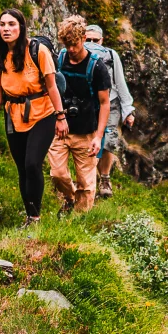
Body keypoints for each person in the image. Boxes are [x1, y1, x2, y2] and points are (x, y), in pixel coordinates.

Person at [0, 7, 65, 225]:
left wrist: (61, 116)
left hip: (43, 113)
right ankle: (29, 215)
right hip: (13, 115)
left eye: (11, 24)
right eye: (2, 25)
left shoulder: (38, 51)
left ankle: (36, 216)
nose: (6, 29)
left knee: (32, 163)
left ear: (21, 27)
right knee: (22, 167)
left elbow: (52, 86)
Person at [47, 14, 110, 215]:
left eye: (74, 44)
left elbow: (104, 103)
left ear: (83, 38)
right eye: (67, 44)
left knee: (86, 182)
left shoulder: (97, 67)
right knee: (57, 173)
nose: (71, 49)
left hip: (87, 132)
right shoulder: (61, 59)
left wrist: (99, 137)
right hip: (61, 127)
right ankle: (70, 197)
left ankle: (79, 222)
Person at [83, 23, 134, 199]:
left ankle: (105, 178)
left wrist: (128, 111)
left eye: (95, 40)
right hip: (87, 103)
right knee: (86, 138)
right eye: (87, 39)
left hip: (111, 103)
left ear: (102, 40)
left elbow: (120, 83)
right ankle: (88, 179)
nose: (91, 43)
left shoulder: (112, 56)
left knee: (109, 141)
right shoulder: (76, 54)